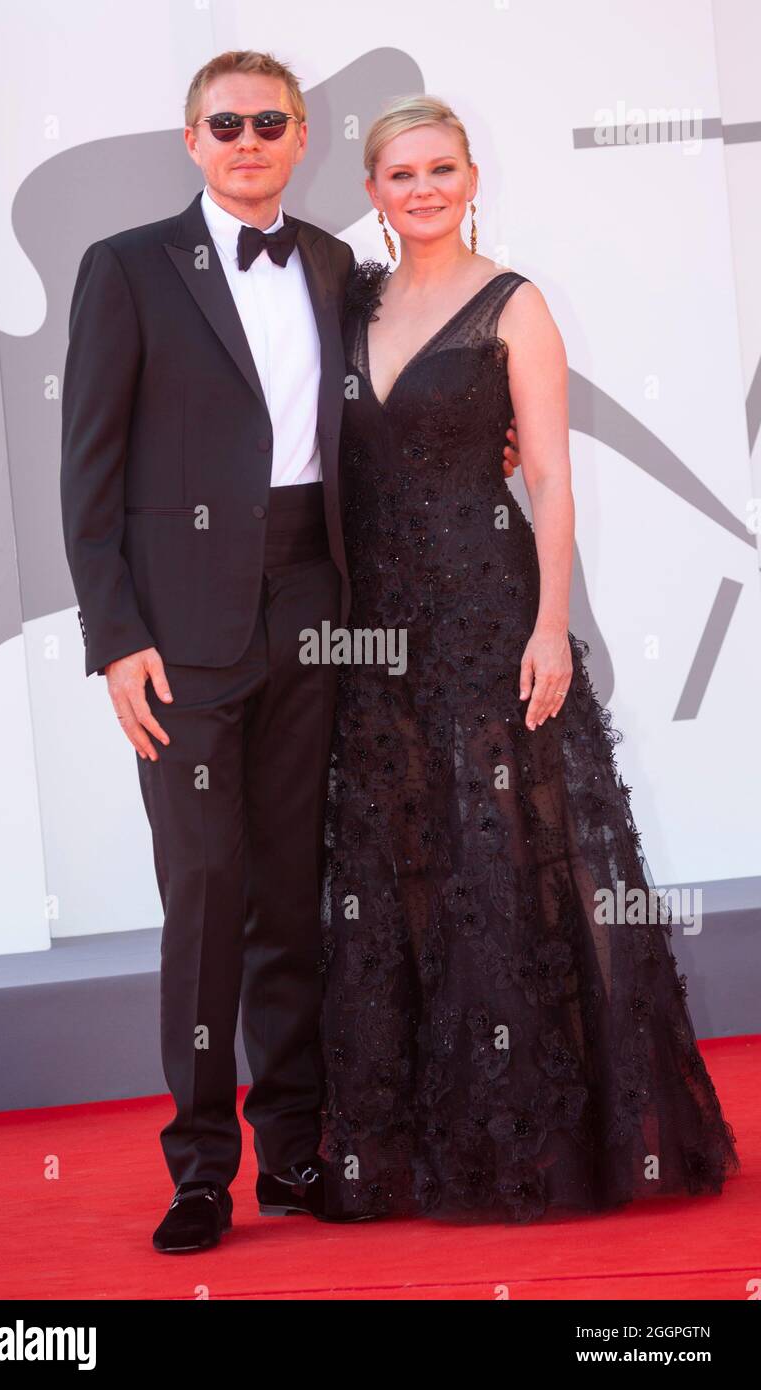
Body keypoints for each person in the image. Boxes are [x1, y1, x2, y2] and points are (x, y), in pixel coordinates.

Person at [59, 49, 524, 1254]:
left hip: (321, 611)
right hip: (182, 638)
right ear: (192, 139)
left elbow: (395, 402)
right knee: (206, 895)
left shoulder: (334, 268)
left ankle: (298, 1153)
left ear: (302, 137)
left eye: (272, 122)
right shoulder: (124, 271)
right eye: (228, 124)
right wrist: (116, 638)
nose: (250, 140)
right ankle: (201, 1170)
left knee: (293, 897)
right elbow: (90, 474)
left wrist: (491, 439)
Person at [317, 94, 741, 1223]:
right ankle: (414, 1136)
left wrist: (552, 623)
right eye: (400, 173)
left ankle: (536, 1142)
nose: (423, 189)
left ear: (471, 178)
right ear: (372, 193)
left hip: (489, 610)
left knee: (506, 854)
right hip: (377, 632)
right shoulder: (349, 302)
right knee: (402, 859)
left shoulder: (517, 305)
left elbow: (548, 476)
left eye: (441, 169)